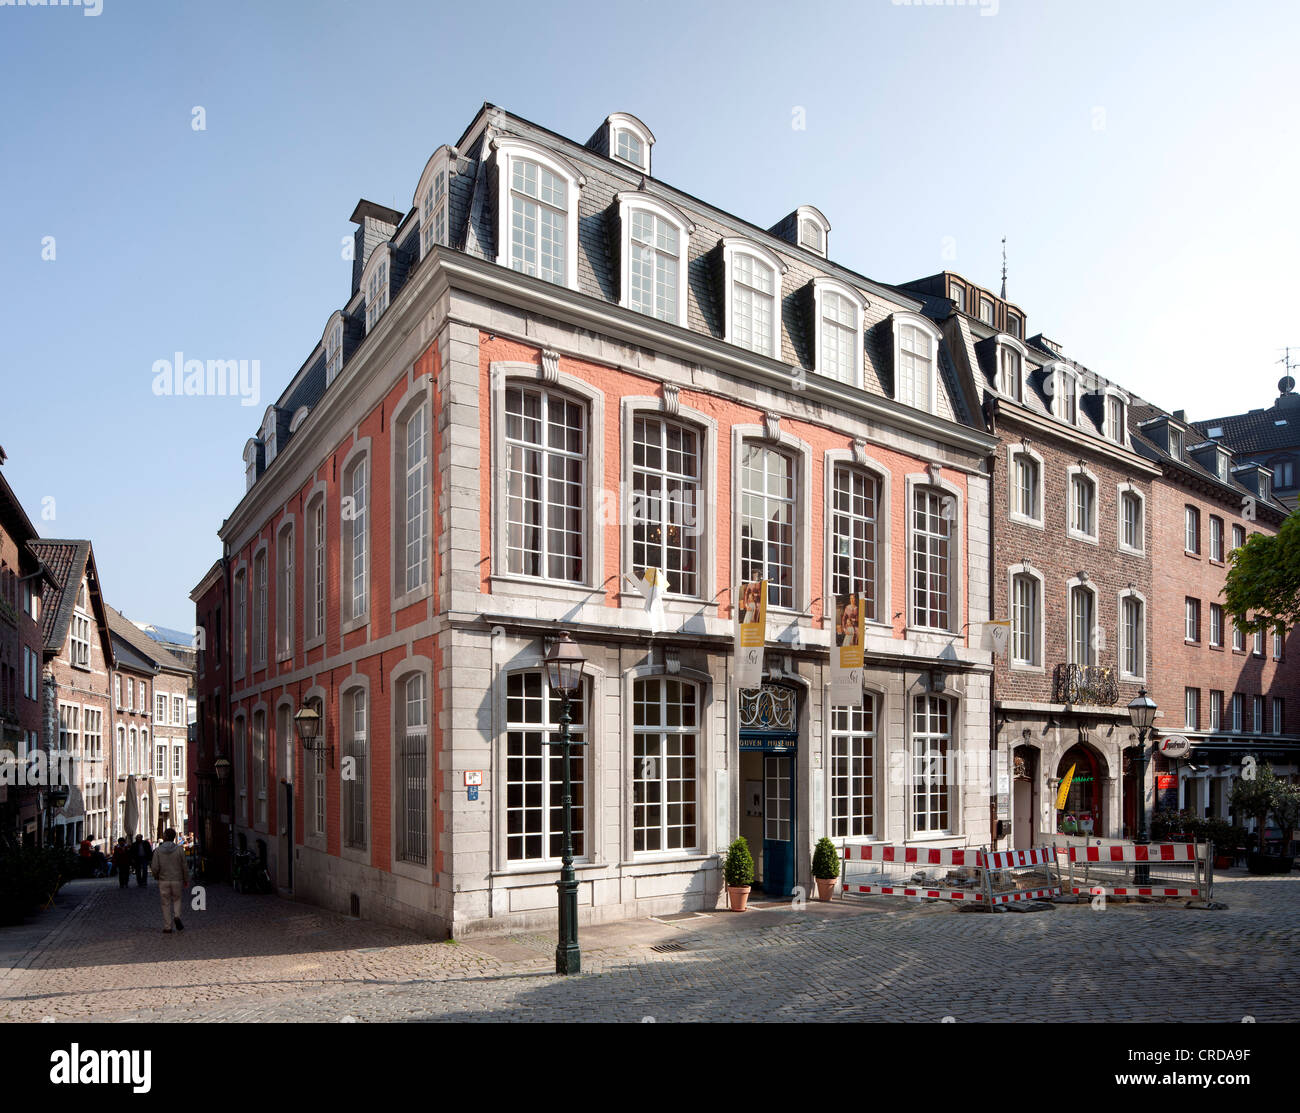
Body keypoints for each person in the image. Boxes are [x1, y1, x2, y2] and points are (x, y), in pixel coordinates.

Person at [149, 828, 189, 933]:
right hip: (177, 879)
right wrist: (186, 878)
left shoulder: (158, 850)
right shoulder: (179, 849)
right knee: (177, 899)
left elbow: (154, 867)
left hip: (164, 880)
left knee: (165, 903)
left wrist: (156, 875)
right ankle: (176, 916)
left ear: (165, 837)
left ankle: (167, 926)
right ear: (174, 837)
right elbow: (184, 865)